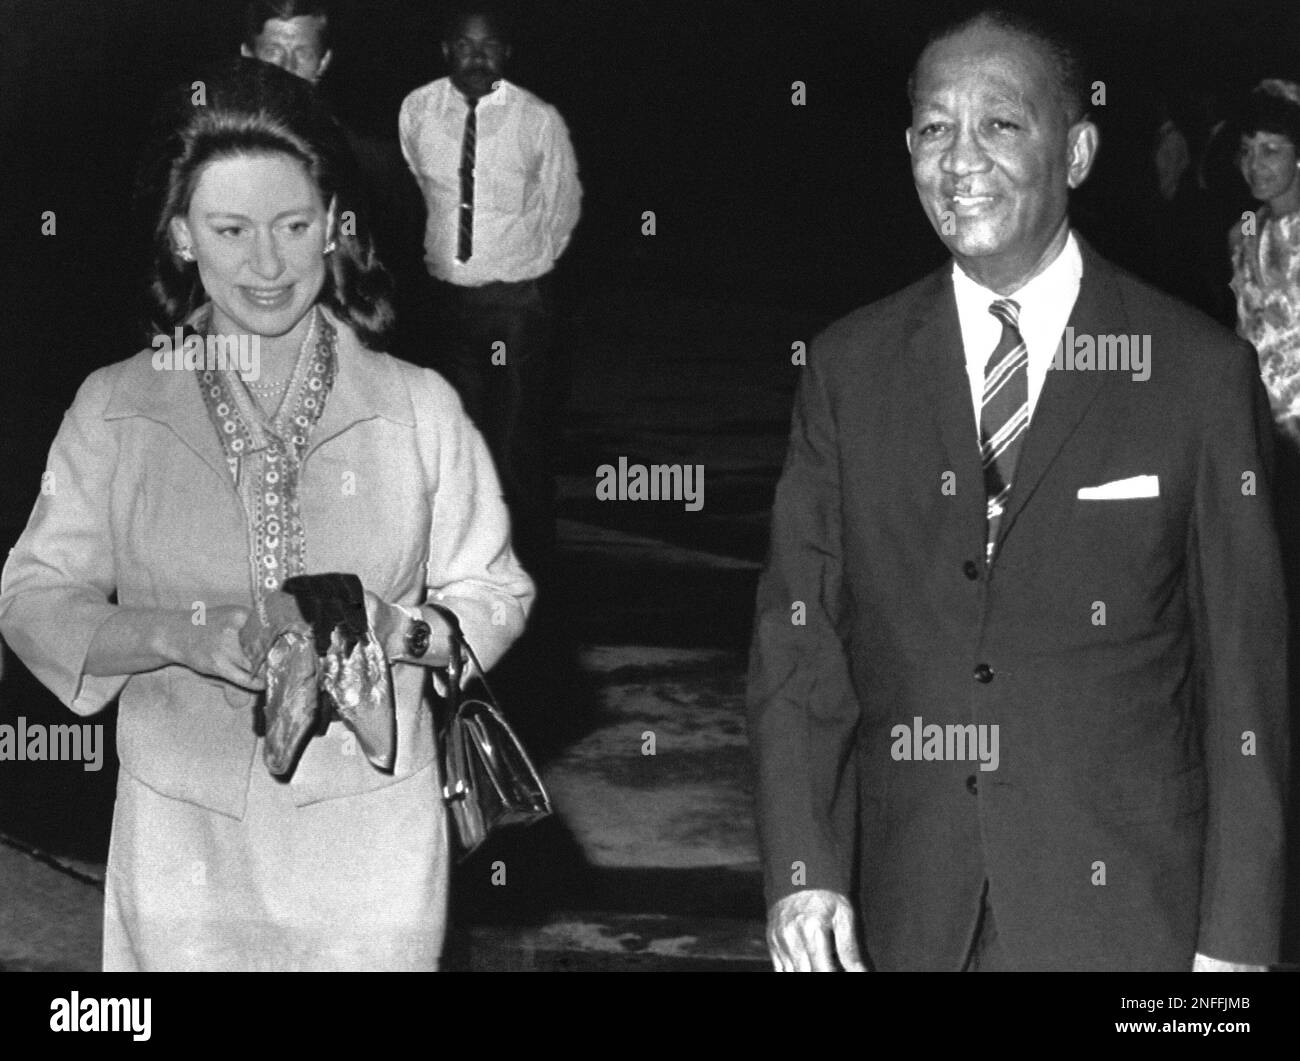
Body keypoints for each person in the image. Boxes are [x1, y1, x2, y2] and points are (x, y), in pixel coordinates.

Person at [747, 8, 1288, 972]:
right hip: (905, 913)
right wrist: (803, 865)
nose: (960, 159)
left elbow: (1248, 678)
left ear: (1077, 151)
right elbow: (799, 642)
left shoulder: (1195, 373)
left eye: (999, 123)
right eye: (932, 128)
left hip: (1129, 919)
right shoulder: (849, 369)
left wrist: (1237, 945)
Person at [0, 59, 533, 971]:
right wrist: (181, 636)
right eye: (230, 229)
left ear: (333, 225)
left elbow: (494, 590)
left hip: (371, 850)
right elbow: (33, 597)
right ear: (179, 236)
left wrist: (404, 634)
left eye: (294, 226)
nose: (268, 264)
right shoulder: (117, 408)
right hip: (183, 850)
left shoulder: (419, 407)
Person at [399, 4, 581, 573]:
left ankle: (527, 572)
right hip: (443, 306)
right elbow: (411, 191)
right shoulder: (417, 110)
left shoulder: (537, 119)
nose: (476, 57)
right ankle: (460, 569)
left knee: (514, 444)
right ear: (445, 50)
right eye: (464, 45)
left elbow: (561, 204)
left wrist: (524, 267)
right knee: (451, 441)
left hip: (514, 308)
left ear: (507, 53)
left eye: (489, 46)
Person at [1231, 79, 1300, 433]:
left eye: (1271, 150)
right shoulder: (1244, 232)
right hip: (1259, 425)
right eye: (1246, 150)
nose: (1254, 164)